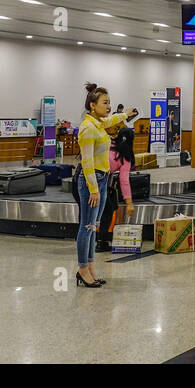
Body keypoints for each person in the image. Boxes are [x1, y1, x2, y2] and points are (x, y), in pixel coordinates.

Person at [74, 83, 134, 288]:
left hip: (102, 180)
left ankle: (90, 267)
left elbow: (111, 119)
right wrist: (93, 190)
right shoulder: (88, 127)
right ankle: (82, 268)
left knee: (94, 226)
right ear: (93, 105)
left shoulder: (98, 123)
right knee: (87, 226)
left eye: (109, 102)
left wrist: (125, 114)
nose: (108, 106)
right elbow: (87, 162)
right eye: (105, 103)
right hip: (90, 181)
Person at [97, 112, 140, 253]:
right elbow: (124, 180)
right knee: (108, 210)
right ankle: (101, 241)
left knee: (90, 213)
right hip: (98, 180)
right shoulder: (125, 156)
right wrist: (129, 203)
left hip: (81, 176)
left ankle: (87, 240)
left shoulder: (109, 142)